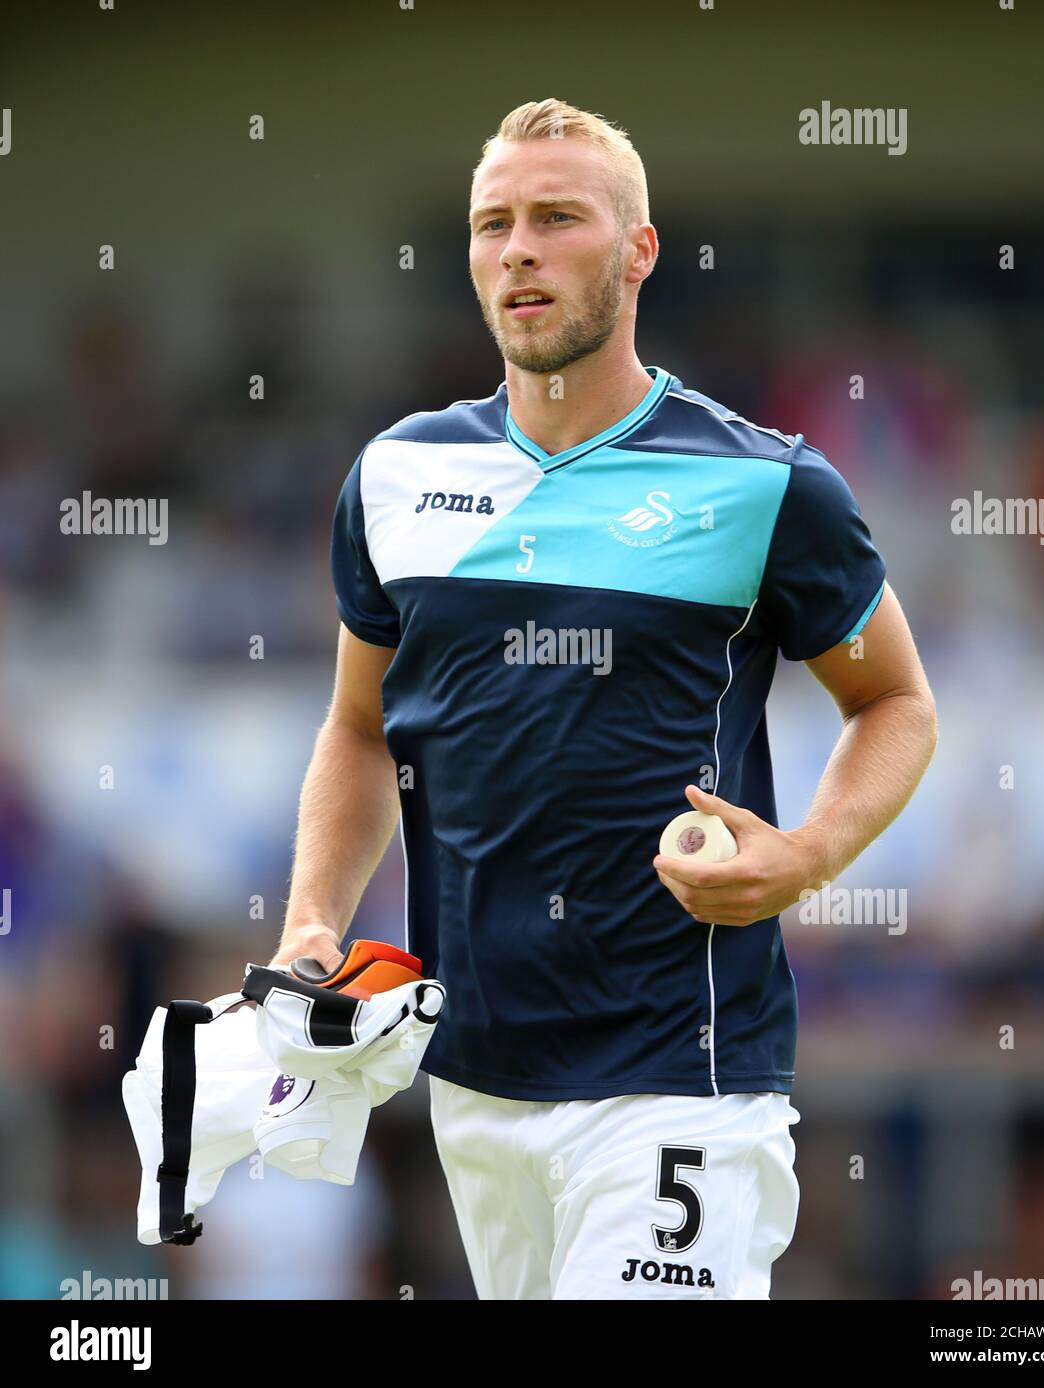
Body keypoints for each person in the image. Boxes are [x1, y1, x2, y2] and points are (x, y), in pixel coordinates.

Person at [272, 99, 938, 1300]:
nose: (516, 248)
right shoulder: (395, 475)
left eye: (556, 218)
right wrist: (311, 919)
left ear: (636, 251)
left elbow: (893, 701)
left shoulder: (761, 482)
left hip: (682, 1076)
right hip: (476, 1077)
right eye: (491, 224)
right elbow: (361, 727)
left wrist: (808, 855)